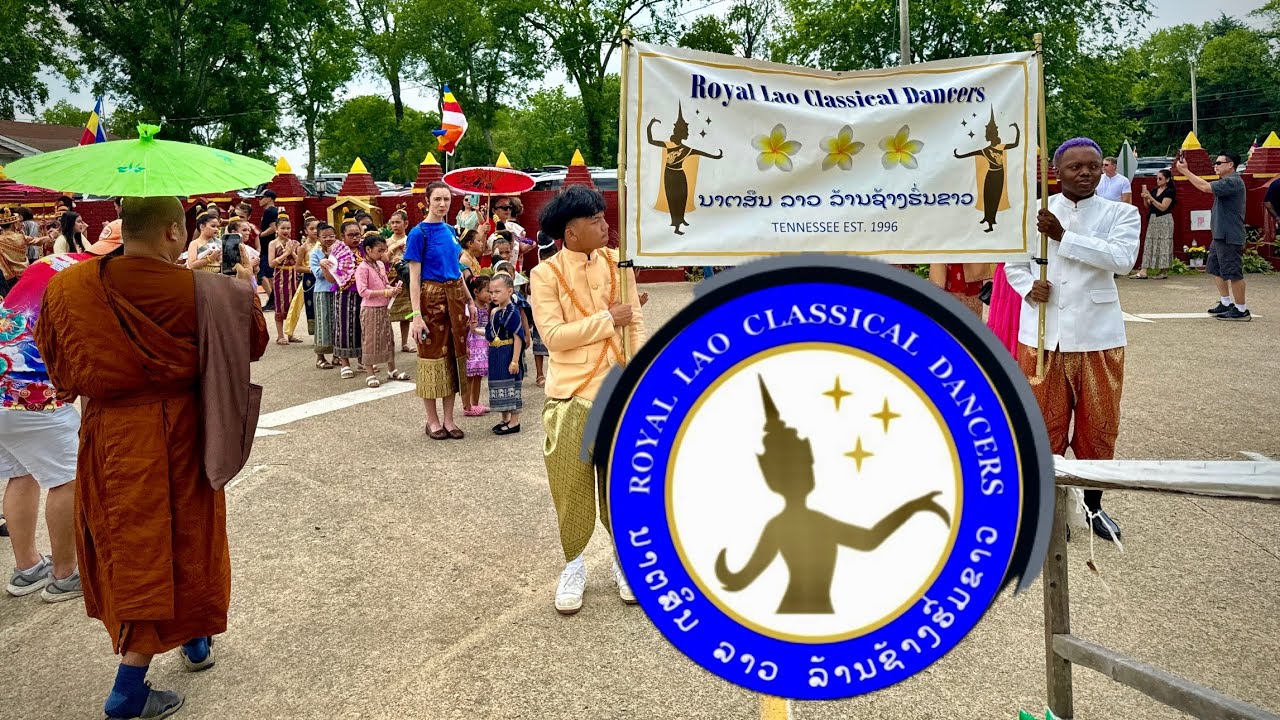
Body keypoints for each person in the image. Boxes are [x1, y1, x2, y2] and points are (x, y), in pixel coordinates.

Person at [35, 195, 269, 719]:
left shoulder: (69, 286)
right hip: (182, 435)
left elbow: (58, 364)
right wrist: (242, 282)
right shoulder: (204, 292)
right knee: (183, 541)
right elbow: (253, 342)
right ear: (171, 232)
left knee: (129, 545)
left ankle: (195, 638)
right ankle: (128, 690)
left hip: (108, 437)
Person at [1004, 138, 1138, 543]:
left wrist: (1064, 236)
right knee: (1043, 426)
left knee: (1099, 427)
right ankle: (1048, 508)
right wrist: (1029, 288)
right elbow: (1014, 265)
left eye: (1093, 166)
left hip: (1098, 337)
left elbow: (1122, 261)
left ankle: (1093, 506)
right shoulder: (1034, 213)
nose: (1085, 173)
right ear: (1057, 171)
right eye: (1075, 167)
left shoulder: (1121, 213)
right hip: (1043, 336)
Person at [529, 186, 647, 614]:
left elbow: (636, 324)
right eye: (594, 220)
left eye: (602, 216)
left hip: (619, 391)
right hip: (571, 395)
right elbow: (553, 337)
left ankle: (623, 561)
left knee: (622, 486)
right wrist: (606, 319)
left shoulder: (619, 263)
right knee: (570, 486)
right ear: (570, 232)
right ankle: (574, 565)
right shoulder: (544, 274)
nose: (604, 225)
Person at [1, 239, 122, 604]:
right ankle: (65, 574)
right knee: (68, 478)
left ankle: (27, 568)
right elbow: (91, 350)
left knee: (22, 473)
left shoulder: (53, 262)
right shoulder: (96, 279)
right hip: (32, 389)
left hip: (3, 380)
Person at [407, 181, 479, 441]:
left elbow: (456, 271)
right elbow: (414, 278)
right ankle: (432, 421)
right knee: (431, 358)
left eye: (446, 199)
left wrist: (470, 301)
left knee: (454, 358)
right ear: (428, 200)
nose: (442, 204)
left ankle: (449, 419)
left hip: (455, 298)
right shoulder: (418, 233)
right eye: (437, 199)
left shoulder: (450, 230)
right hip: (431, 299)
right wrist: (416, 316)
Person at [1177, 151, 1250, 321]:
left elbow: (1205, 187)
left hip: (1230, 235)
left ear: (1230, 165)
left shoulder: (1233, 181)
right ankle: (1226, 302)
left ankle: (1241, 309)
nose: (1215, 166)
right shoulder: (1225, 181)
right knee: (1216, 268)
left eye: (1219, 163)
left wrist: (1185, 171)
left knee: (1233, 272)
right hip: (1220, 234)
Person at [356, 233, 409, 387]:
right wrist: (385, 292)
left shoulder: (379, 265)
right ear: (368, 249)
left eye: (384, 250)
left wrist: (392, 289)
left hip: (383, 307)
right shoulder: (362, 268)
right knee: (370, 340)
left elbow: (385, 283)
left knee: (388, 338)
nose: (382, 254)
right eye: (379, 250)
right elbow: (363, 292)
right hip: (370, 309)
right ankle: (370, 373)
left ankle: (392, 370)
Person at [486, 274, 525, 434]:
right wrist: (474, 330)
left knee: (512, 384)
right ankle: (505, 418)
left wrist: (515, 360)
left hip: (508, 352)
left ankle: (514, 421)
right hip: (496, 353)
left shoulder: (512, 311)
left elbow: (518, 337)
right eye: (491, 292)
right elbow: (492, 333)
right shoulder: (495, 311)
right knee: (500, 384)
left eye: (497, 291)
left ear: (509, 291)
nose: (493, 295)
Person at [329, 220, 364, 377]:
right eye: (351, 235)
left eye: (357, 234)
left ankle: (363, 361)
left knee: (364, 326)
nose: (355, 238)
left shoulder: (365, 249)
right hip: (344, 293)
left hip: (364, 293)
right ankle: (345, 364)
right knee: (344, 328)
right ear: (342, 236)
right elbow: (331, 278)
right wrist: (325, 266)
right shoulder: (337, 253)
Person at [1131, 170, 1176, 280]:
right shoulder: (1155, 190)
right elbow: (1148, 206)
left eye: (1160, 178)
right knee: (1149, 243)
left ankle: (1163, 270)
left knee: (1164, 244)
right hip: (1153, 219)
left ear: (1167, 179)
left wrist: (1151, 198)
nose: (1158, 180)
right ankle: (1144, 270)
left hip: (1164, 219)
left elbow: (1163, 207)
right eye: (1157, 178)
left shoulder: (1170, 191)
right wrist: (1145, 198)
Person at [267, 215, 304, 344]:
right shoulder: (273, 244)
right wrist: (286, 253)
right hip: (280, 277)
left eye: (288, 228)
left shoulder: (295, 243)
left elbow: (300, 261)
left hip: (293, 276)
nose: (286, 230)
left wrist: (292, 252)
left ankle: (290, 334)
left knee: (293, 305)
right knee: (280, 305)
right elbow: (271, 263)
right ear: (276, 229)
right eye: (283, 228)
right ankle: (280, 335)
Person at [310, 223, 339, 369]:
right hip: (322, 292)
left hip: (338, 290)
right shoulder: (315, 254)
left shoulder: (340, 252)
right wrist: (327, 261)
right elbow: (317, 274)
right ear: (318, 238)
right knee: (323, 323)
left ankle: (336, 355)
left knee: (337, 323)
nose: (328, 239)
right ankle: (320, 357)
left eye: (331, 236)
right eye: (324, 237)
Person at [384, 211, 414, 352]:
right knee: (387, 312)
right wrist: (394, 248)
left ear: (406, 224)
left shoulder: (410, 240)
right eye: (393, 222)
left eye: (398, 222)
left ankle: (404, 343)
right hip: (390, 280)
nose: (395, 225)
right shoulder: (387, 242)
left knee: (406, 314)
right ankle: (389, 343)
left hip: (405, 279)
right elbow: (383, 259)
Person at [463, 275, 490, 417]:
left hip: (482, 345)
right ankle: (467, 406)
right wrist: (465, 346)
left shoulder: (487, 307)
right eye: (488, 291)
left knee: (478, 375)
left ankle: (475, 403)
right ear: (476, 292)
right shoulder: (469, 308)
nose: (491, 294)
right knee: (469, 376)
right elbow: (464, 328)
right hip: (472, 344)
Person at [0, 209, 30, 294]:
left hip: (5, 277)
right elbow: (38, 241)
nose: (22, 224)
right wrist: (51, 235)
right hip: (22, 276)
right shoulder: (21, 237)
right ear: (14, 224)